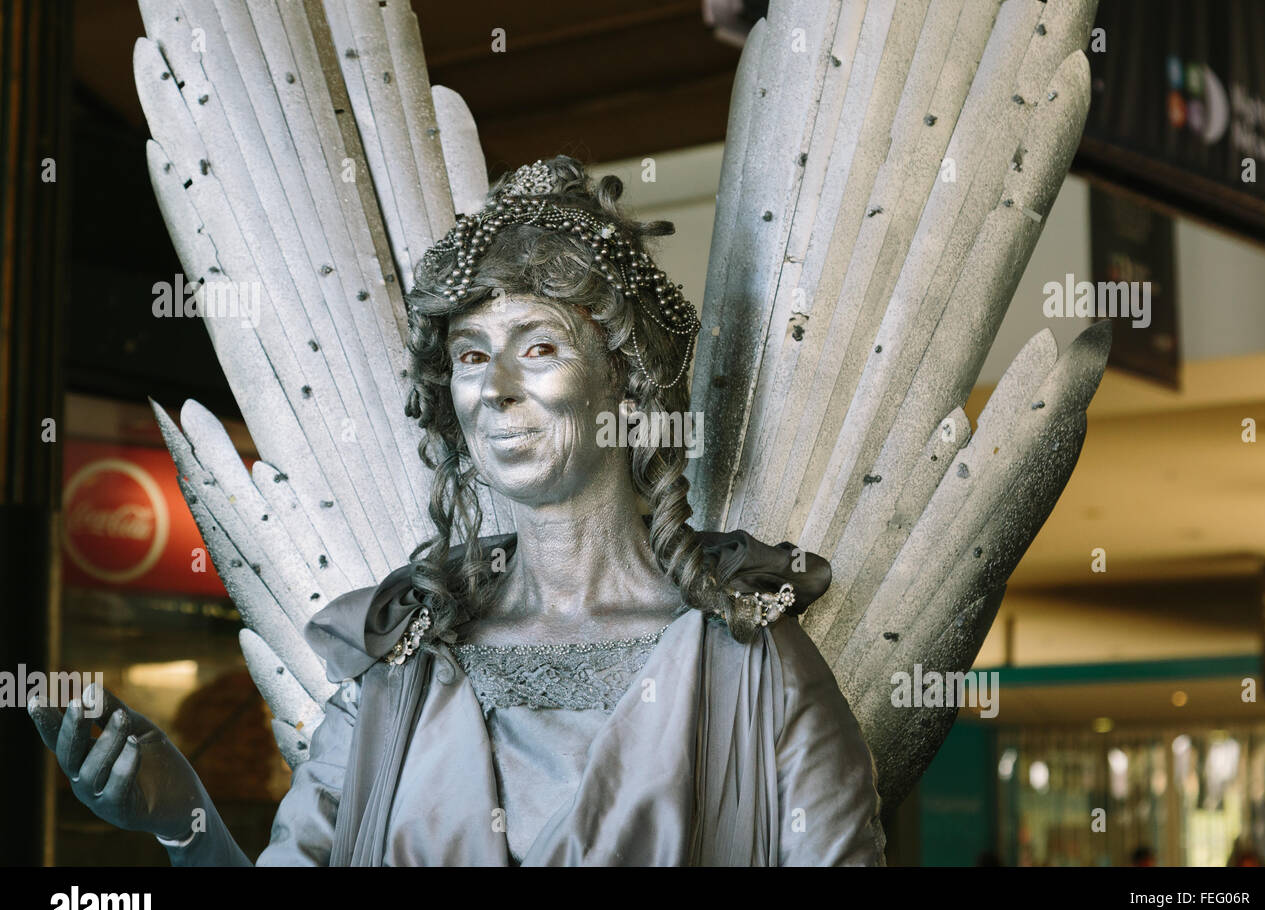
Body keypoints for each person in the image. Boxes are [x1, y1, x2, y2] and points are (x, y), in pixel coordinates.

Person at [30, 156, 887, 866]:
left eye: (539, 347)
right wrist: (181, 815)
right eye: (472, 356)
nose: (495, 390)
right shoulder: (402, 660)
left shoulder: (752, 664)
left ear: (626, 385)